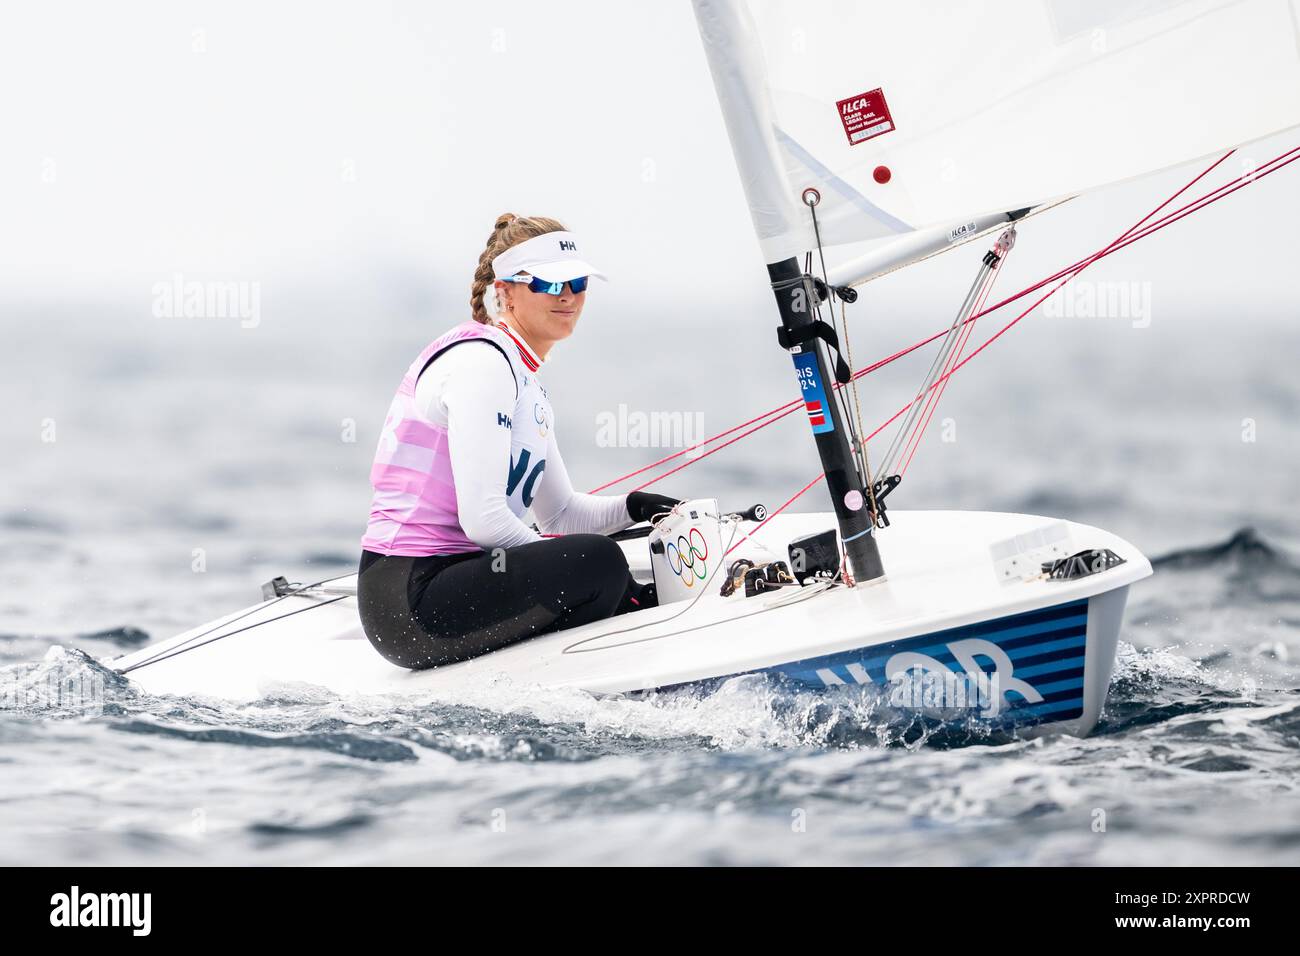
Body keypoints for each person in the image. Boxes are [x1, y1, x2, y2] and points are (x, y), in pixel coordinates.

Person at [357, 213, 682, 669]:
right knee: (600, 563)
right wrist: (584, 567)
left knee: (598, 559)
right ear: (505, 291)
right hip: (407, 602)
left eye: (578, 282)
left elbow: (562, 514)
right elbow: (485, 523)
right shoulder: (482, 366)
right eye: (549, 285)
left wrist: (637, 506)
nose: (568, 296)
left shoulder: (522, 377)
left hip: (453, 581)